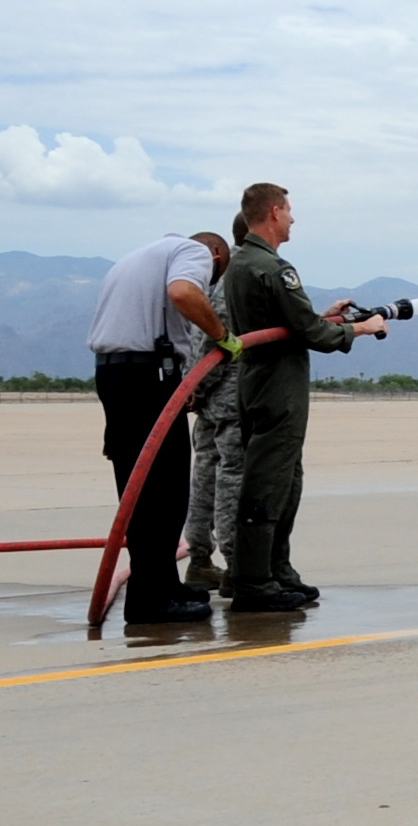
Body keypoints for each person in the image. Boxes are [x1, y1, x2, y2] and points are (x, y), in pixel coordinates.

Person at [224, 183, 384, 612]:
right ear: (274, 213)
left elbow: (293, 322)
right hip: (278, 386)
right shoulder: (274, 268)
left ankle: (275, 571)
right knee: (268, 482)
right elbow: (311, 335)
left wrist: (326, 316)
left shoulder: (242, 263)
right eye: (290, 210)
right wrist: (358, 329)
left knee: (285, 479)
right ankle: (254, 581)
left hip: (259, 381)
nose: (293, 218)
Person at [85, 230, 240, 624]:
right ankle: (150, 599)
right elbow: (184, 294)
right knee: (162, 491)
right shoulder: (195, 252)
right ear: (218, 255)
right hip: (145, 377)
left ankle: (161, 584)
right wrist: (223, 337)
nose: (211, 282)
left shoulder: (138, 256)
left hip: (120, 376)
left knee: (144, 489)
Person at [182, 212, 252, 591]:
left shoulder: (209, 277)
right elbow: (214, 340)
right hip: (225, 397)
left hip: (208, 395)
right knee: (227, 480)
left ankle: (200, 559)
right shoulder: (234, 274)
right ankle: (232, 563)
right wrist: (200, 386)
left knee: (205, 476)